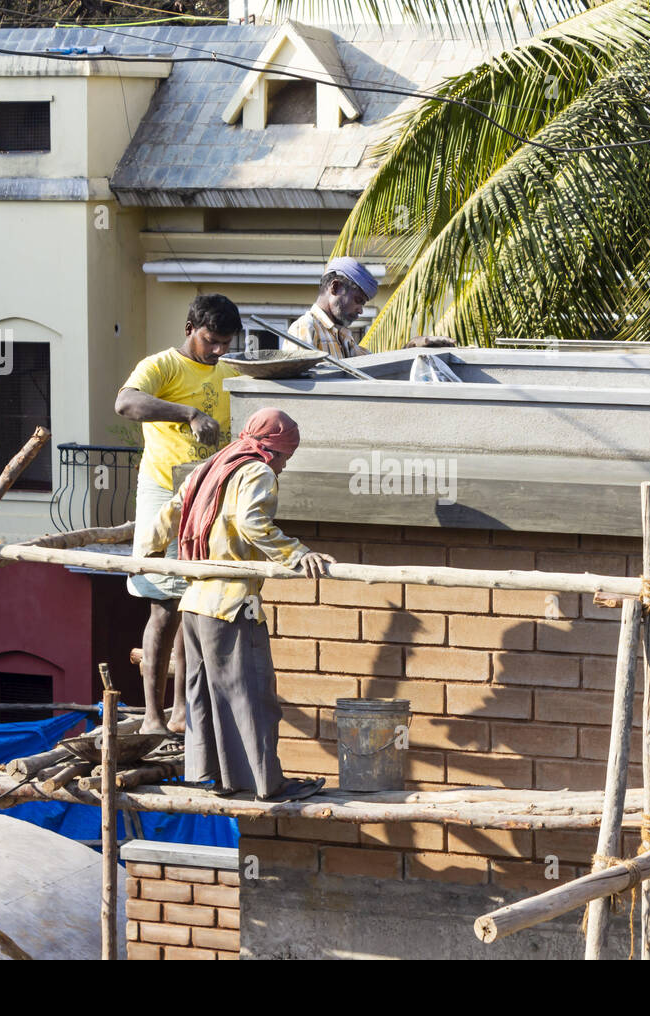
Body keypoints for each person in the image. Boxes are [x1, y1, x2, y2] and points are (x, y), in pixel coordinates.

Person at [144, 408, 333, 801]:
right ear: (273, 450)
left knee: (206, 695)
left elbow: (170, 511)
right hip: (231, 606)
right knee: (251, 694)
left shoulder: (213, 466)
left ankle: (212, 778)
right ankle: (268, 786)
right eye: (286, 458)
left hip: (194, 605)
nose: (283, 467)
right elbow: (252, 522)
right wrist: (297, 554)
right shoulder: (257, 472)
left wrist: (148, 552)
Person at [115, 294, 241, 735]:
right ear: (190, 328)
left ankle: (182, 713)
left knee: (192, 607)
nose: (219, 350)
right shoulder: (162, 366)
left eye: (226, 342)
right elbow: (125, 403)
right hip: (164, 494)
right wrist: (187, 412)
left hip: (207, 498)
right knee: (163, 608)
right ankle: (152, 716)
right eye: (211, 340)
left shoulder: (230, 371)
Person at [282, 256, 454, 358]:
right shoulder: (305, 329)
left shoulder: (343, 337)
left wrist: (411, 347)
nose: (360, 310)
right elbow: (301, 390)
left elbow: (374, 366)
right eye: (358, 300)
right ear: (335, 288)